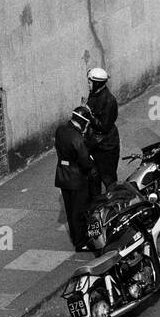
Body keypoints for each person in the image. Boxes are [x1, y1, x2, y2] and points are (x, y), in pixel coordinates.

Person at [55, 104, 101, 251]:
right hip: (76, 178)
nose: (87, 127)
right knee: (79, 211)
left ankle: (76, 239)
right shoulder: (77, 139)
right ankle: (81, 243)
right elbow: (85, 162)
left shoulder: (60, 131)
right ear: (83, 122)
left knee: (70, 210)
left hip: (63, 175)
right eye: (86, 124)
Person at [85, 67, 120, 191]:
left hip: (106, 146)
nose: (88, 84)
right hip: (95, 144)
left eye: (90, 82)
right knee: (94, 177)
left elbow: (104, 126)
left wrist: (89, 115)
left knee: (108, 178)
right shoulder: (94, 94)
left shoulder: (109, 101)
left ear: (97, 83)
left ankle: (115, 204)